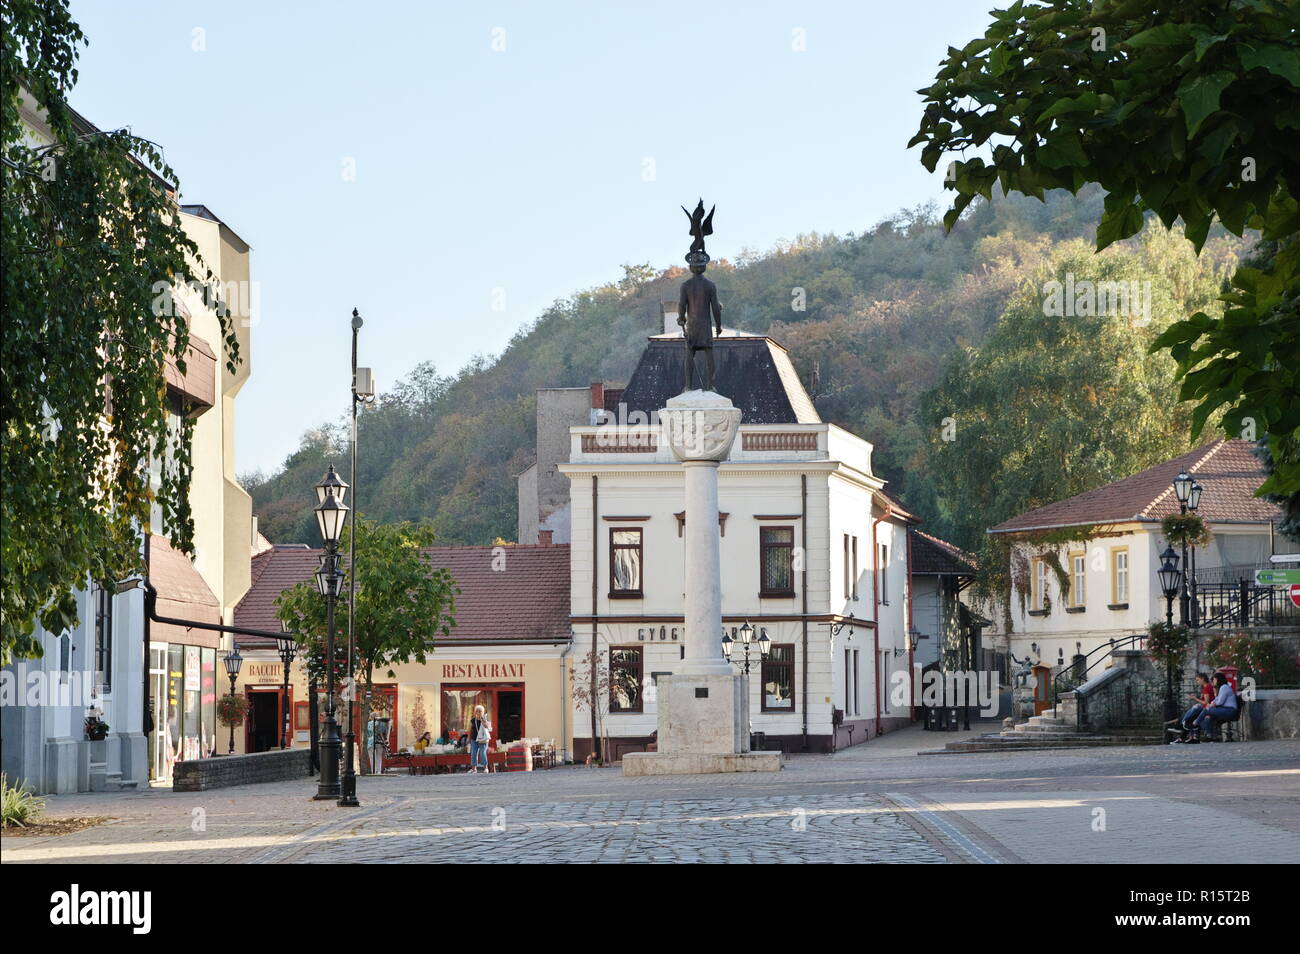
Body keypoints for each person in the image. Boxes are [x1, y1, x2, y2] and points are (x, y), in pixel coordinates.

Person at [1189, 672, 1237, 742]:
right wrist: (1212, 703)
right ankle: (1209, 736)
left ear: (1218, 680)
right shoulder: (1222, 688)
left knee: (1206, 710)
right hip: (1226, 709)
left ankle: (1196, 723)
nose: (1213, 681)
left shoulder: (1224, 687)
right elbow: (1217, 699)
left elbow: (1220, 701)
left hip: (1229, 710)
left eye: (1214, 680)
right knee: (1208, 716)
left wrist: (1212, 704)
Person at [1168, 673, 1214, 744]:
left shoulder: (1207, 688)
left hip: (1206, 709)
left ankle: (1181, 726)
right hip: (1206, 709)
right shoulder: (1208, 687)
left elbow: (1206, 702)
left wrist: (1195, 698)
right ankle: (1184, 730)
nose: (1197, 682)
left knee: (1195, 708)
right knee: (1191, 715)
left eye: (1198, 680)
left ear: (1202, 679)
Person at [468, 705, 492, 774]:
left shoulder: (485, 719)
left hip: (483, 739)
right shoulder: (473, 720)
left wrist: (483, 721)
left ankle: (485, 768)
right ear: (475, 712)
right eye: (477, 711)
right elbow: (470, 729)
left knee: (483, 753)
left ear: (483, 712)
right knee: (473, 753)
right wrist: (468, 738)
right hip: (474, 739)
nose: (478, 712)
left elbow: (488, 728)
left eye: (480, 711)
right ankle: (474, 769)